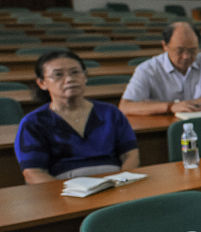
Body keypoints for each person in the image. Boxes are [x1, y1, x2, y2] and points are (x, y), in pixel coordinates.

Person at [16, 49, 140, 183]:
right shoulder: (34, 122)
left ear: (85, 77)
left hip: (114, 181)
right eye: (58, 75)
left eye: (75, 72)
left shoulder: (110, 112)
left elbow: (131, 155)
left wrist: (121, 180)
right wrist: (65, 193)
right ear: (42, 83)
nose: (69, 79)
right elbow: (33, 172)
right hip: (63, 188)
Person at [119, 21, 201, 115]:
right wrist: (170, 106)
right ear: (164, 46)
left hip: (199, 122)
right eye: (180, 50)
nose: (186, 56)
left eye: (192, 50)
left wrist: (187, 105)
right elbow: (125, 106)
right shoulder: (147, 69)